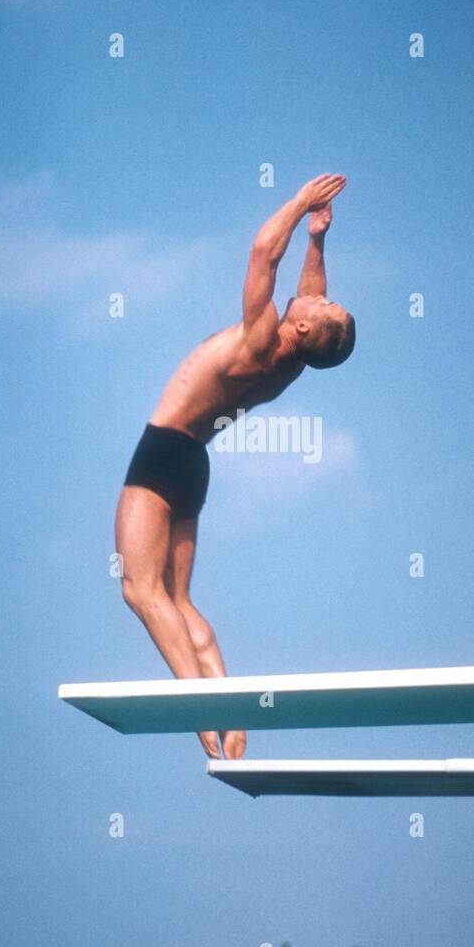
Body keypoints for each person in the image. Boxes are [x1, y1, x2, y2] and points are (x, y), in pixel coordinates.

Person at [116, 173, 355, 760]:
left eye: (323, 304)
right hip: (194, 467)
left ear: (300, 327)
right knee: (180, 599)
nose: (319, 293)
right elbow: (307, 297)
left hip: (162, 450)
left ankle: (200, 711)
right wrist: (318, 243)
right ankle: (233, 711)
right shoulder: (290, 364)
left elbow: (260, 252)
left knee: (140, 591)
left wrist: (300, 205)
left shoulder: (258, 338)